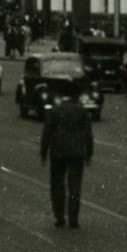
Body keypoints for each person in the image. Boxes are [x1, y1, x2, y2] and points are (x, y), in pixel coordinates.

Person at [40, 79, 95, 229]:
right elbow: (88, 134)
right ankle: (73, 218)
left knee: (57, 184)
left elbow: (47, 133)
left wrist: (43, 152)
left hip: (58, 151)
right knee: (74, 185)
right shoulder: (82, 111)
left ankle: (59, 216)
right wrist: (89, 153)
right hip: (77, 151)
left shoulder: (55, 111)